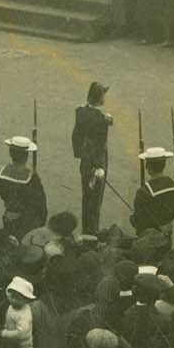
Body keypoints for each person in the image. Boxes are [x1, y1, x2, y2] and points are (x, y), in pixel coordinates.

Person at [71, 82, 112, 234]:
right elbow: (101, 146)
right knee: (95, 201)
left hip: (85, 161)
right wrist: (100, 166)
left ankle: (86, 231)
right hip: (97, 162)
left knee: (86, 197)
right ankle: (92, 233)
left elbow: (75, 136)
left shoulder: (81, 112)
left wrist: (81, 154)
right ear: (99, 97)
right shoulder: (101, 119)